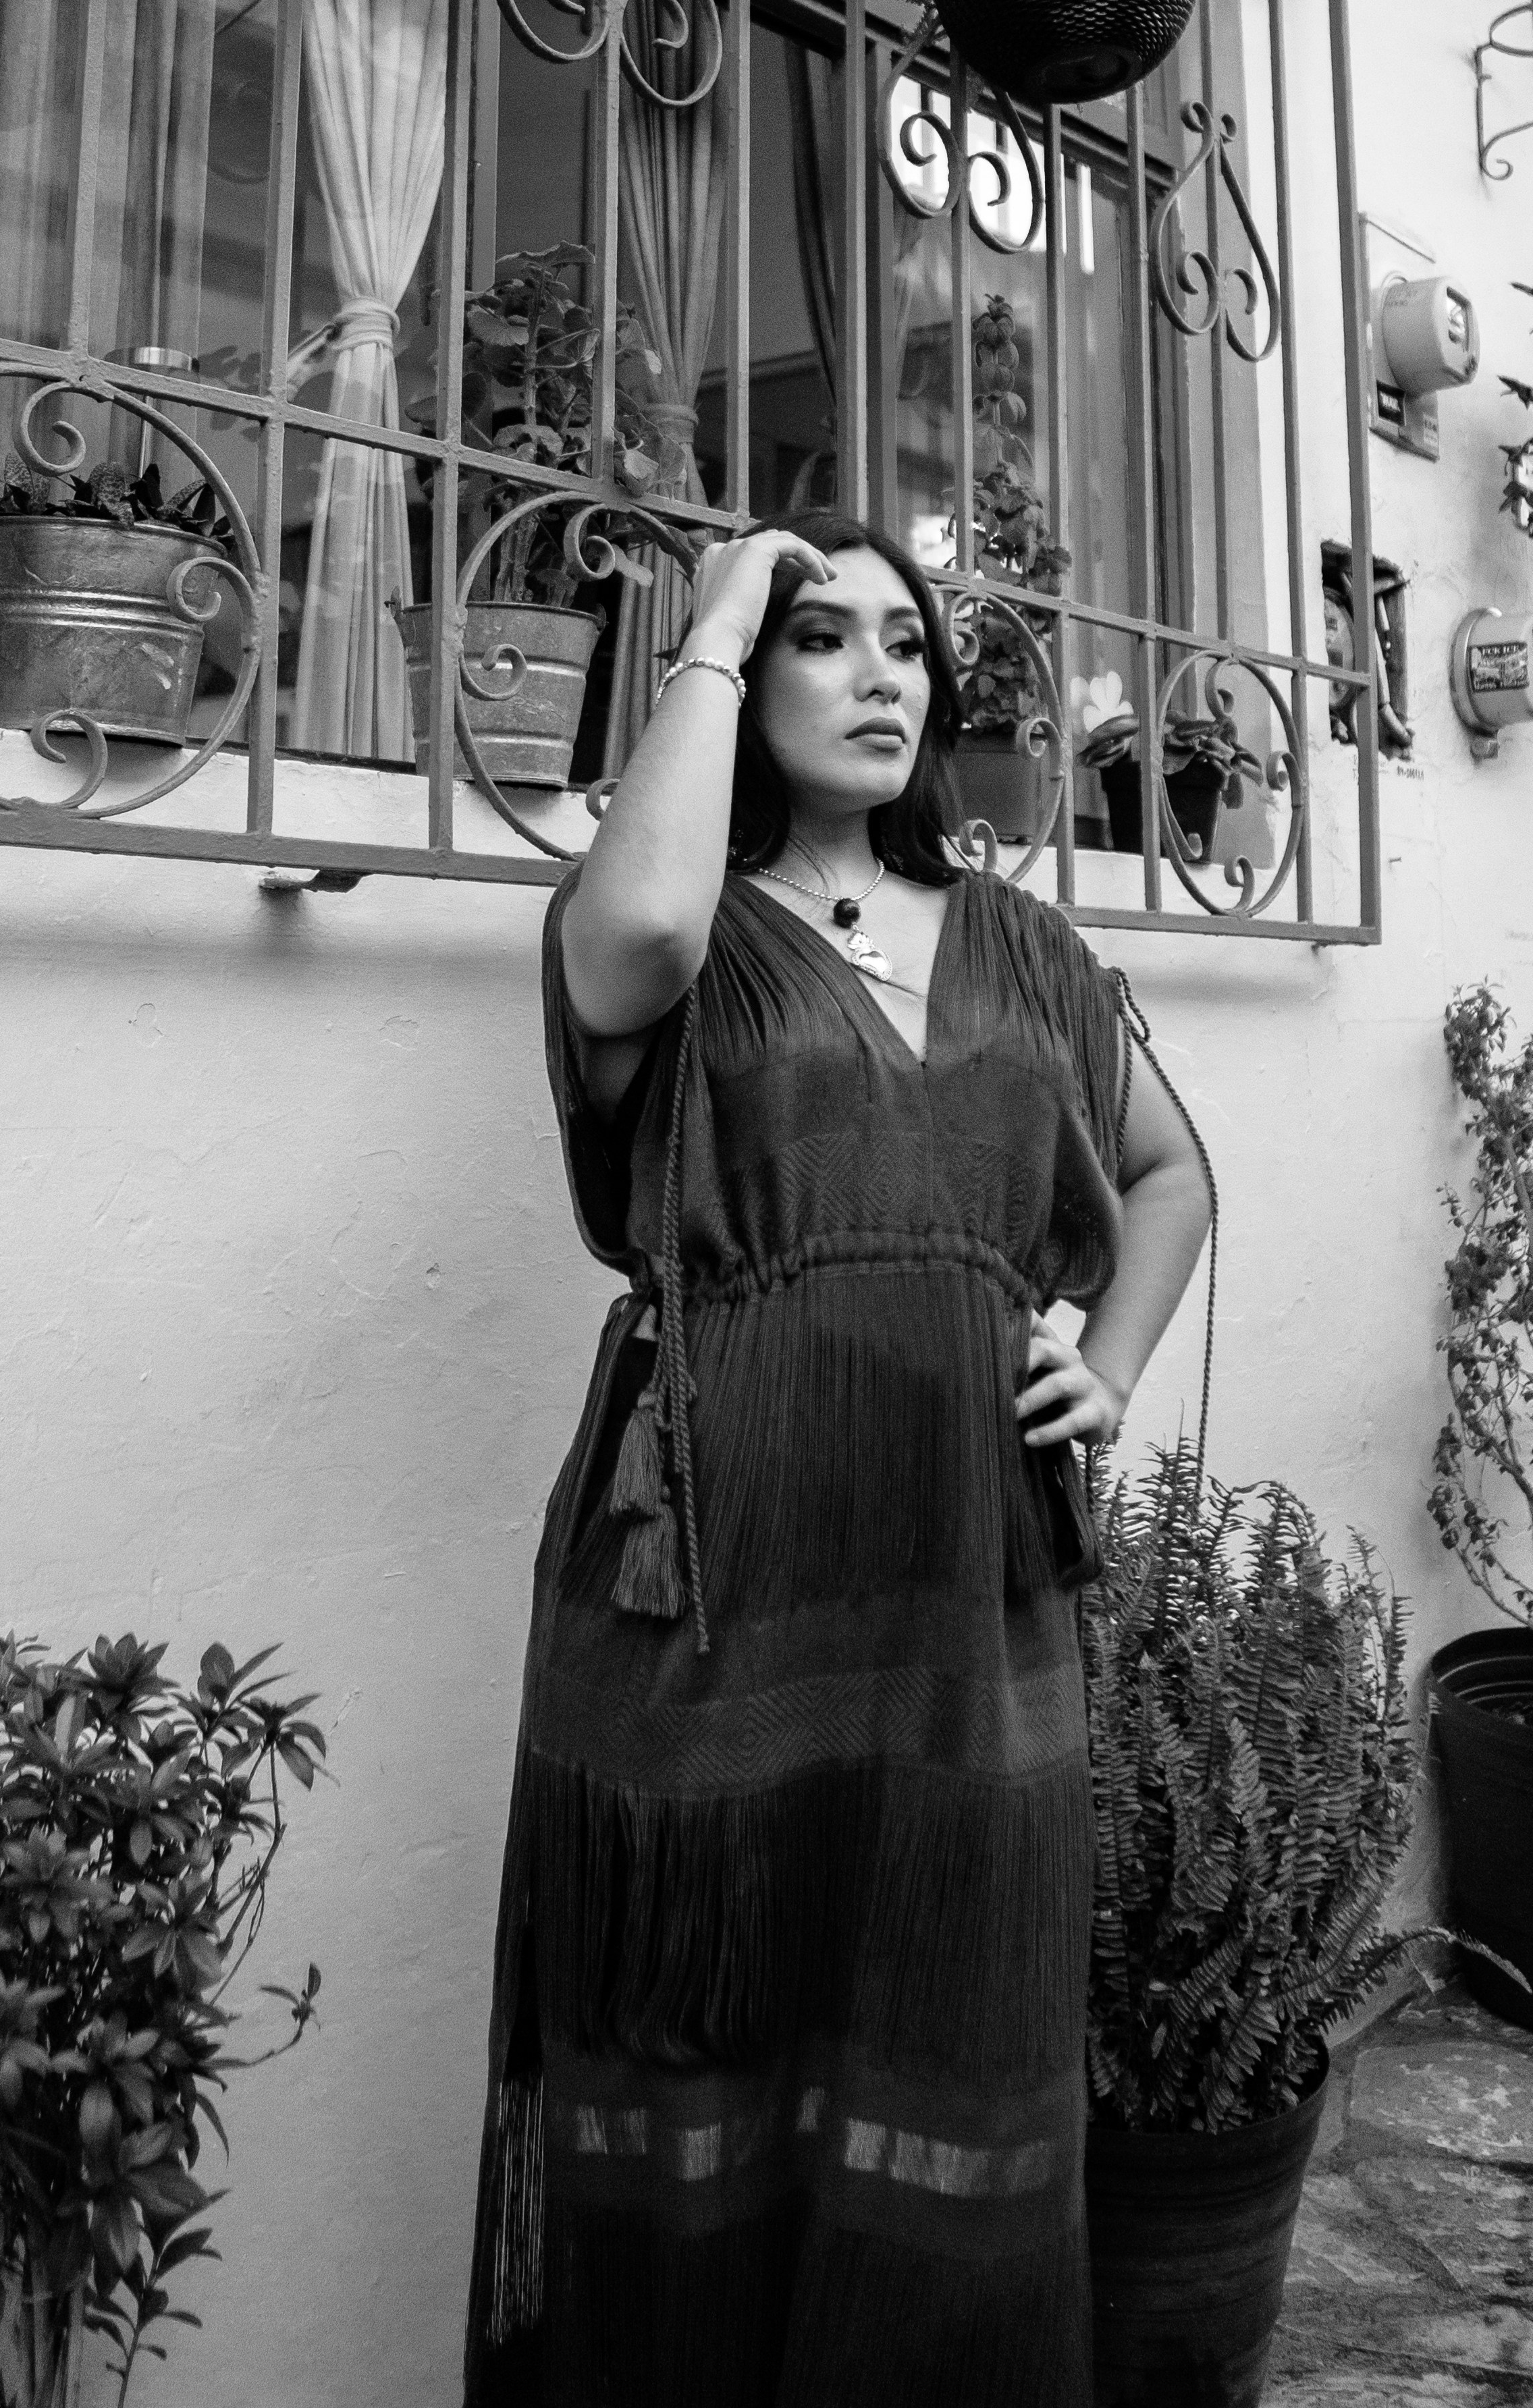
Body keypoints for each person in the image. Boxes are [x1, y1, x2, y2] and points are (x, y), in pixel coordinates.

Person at [462, 512, 1213, 2408]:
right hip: (714, 1586)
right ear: (742, 675)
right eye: (826, 637)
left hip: (971, 1587)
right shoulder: (683, 939)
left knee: (957, 2046)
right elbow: (628, 933)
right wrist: (718, 607)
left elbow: (1169, 1174)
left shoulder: (1030, 947)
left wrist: (1106, 1367)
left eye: (906, 643)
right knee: (702, 2057)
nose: (880, 672)